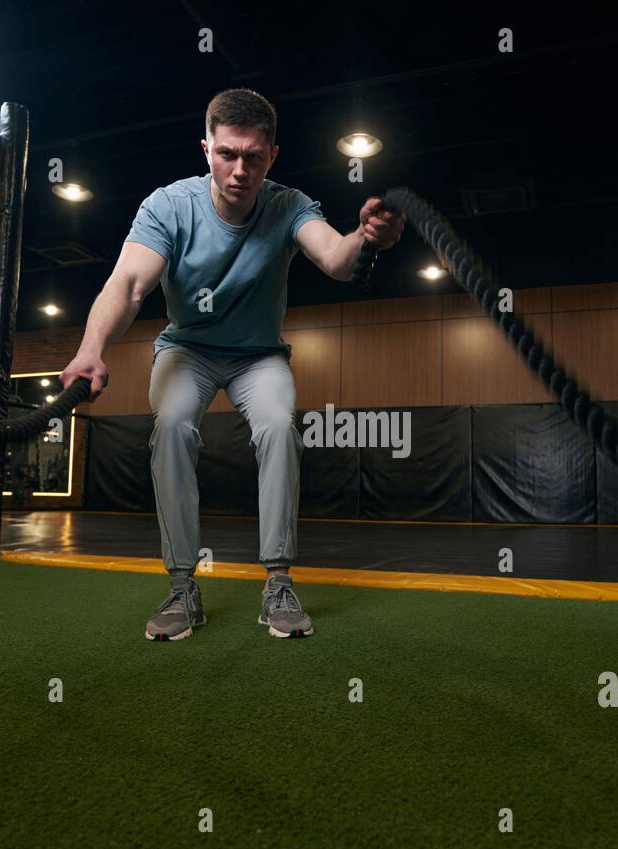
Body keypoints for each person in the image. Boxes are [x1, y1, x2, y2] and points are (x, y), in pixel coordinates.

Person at [60, 88, 405, 641]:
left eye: (253, 156)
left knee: (277, 426)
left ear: (272, 156)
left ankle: (278, 583)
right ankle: (181, 588)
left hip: (257, 356)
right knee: (171, 425)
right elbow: (127, 286)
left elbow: (337, 261)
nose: (240, 168)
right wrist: (90, 348)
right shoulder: (168, 206)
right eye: (227, 153)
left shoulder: (288, 205)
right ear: (207, 149)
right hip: (187, 349)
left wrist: (367, 236)